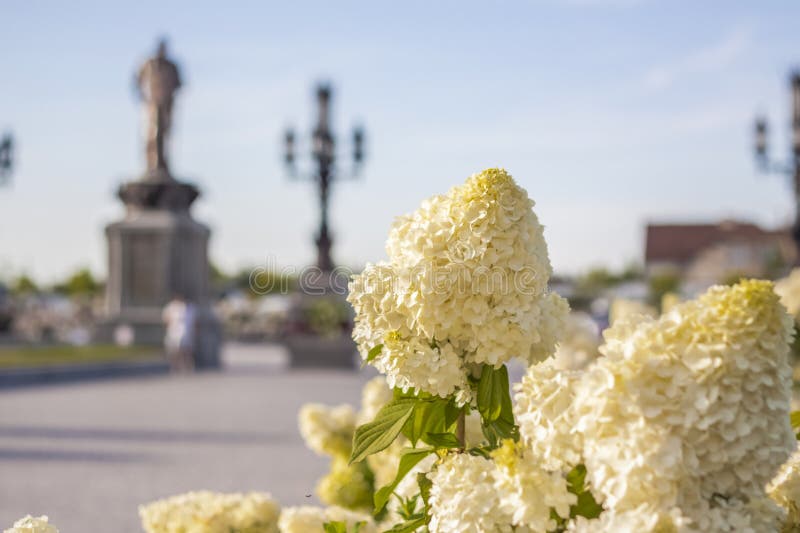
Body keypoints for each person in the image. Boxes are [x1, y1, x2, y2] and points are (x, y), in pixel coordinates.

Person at [162, 294, 196, 372]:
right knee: (174, 350)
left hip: (185, 332)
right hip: (173, 332)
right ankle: (175, 366)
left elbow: (193, 322)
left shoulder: (187, 307)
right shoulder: (170, 307)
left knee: (186, 350)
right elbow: (166, 319)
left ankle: (187, 366)